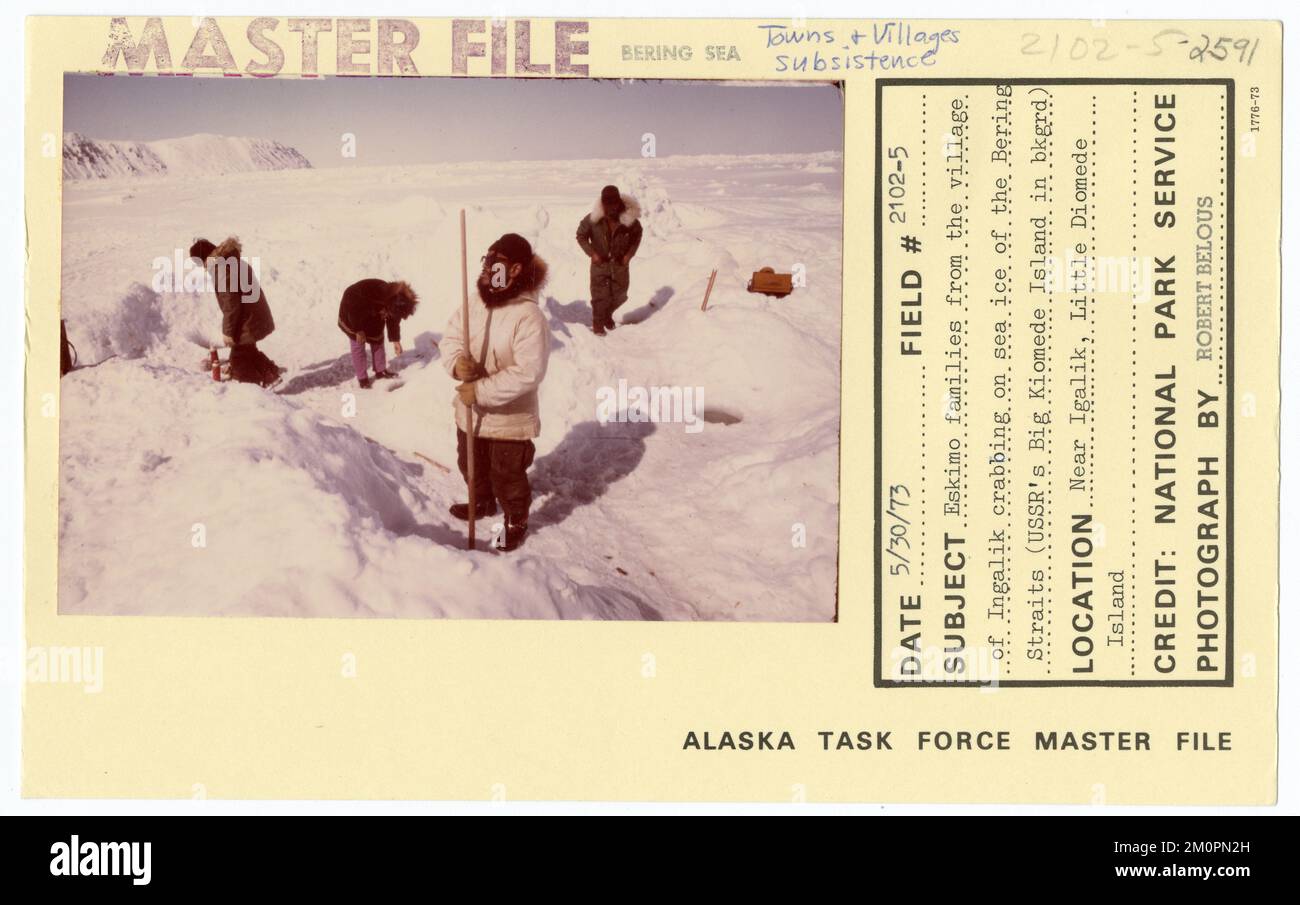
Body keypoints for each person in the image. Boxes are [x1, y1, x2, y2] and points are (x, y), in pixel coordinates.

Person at [441, 233, 550, 551]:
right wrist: (456, 364)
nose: (488, 268)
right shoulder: (474, 302)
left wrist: (482, 390)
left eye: (496, 263)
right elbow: (451, 338)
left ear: (515, 269)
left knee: (508, 475)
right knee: (470, 465)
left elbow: (528, 372)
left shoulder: (529, 316)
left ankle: (515, 521)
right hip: (470, 412)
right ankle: (483, 503)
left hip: (508, 419)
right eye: (486, 261)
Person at [189, 237, 280, 387]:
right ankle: (270, 374)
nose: (202, 267)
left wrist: (228, 332)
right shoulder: (230, 262)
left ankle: (251, 388)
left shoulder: (221, 269)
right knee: (247, 350)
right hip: (253, 315)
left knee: (239, 359)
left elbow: (231, 304)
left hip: (246, 319)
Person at [575, 184, 642, 336]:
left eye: (614, 204)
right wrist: (592, 253)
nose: (611, 208)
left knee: (620, 295)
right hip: (600, 264)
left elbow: (637, 235)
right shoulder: (593, 219)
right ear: (603, 204)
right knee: (600, 297)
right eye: (608, 204)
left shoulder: (628, 218)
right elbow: (581, 235)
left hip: (620, 264)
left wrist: (629, 255)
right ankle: (598, 324)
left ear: (619, 202)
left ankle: (606, 316)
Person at [337, 279, 419, 388]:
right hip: (352, 311)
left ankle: (380, 371)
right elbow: (354, 309)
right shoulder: (375, 294)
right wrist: (358, 330)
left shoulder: (396, 303)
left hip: (373, 312)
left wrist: (396, 341)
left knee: (377, 338)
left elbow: (393, 320)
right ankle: (362, 378)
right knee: (358, 342)